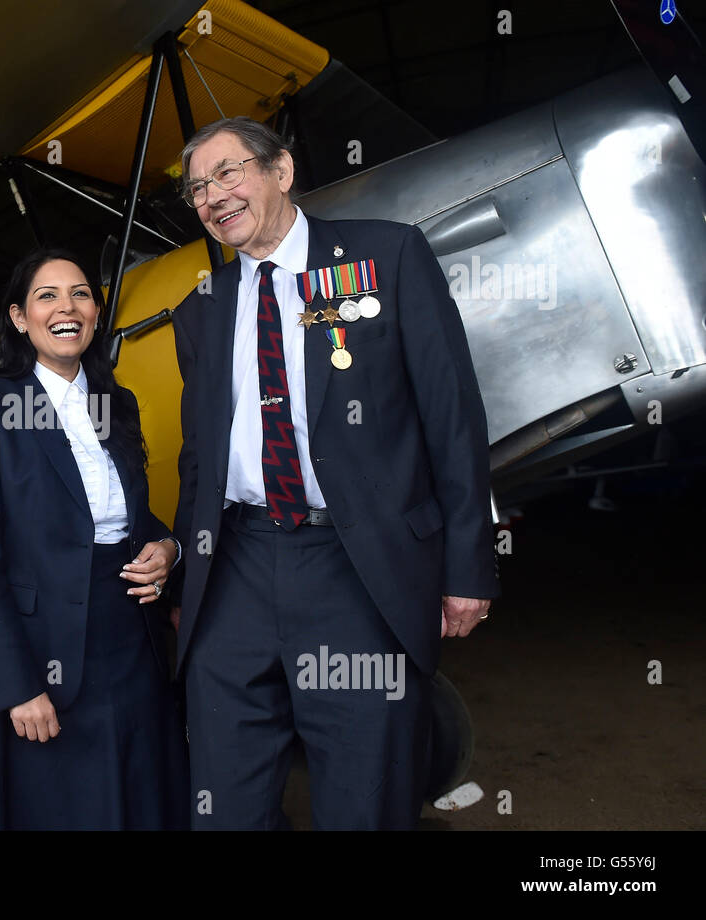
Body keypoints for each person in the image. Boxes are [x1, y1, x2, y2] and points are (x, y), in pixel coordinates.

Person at [170, 117, 500, 830]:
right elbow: (199, 453)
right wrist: (184, 573)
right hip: (237, 565)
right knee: (225, 799)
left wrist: (469, 564)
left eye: (228, 173)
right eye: (197, 188)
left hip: (357, 564)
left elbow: (452, 416)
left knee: (366, 789)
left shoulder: (385, 256)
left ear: (280, 171)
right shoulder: (201, 310)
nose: (212, 196)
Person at [0, 249, 189, 830]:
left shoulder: (114, 404)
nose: (66, 306)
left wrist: (169, 549)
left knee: (133, 798)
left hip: (127, 636)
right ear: (20, 319)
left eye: (80, 293)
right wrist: (14, 685)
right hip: (32, 646)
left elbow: (132, 516)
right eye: (46, 295)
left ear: (96, 314)